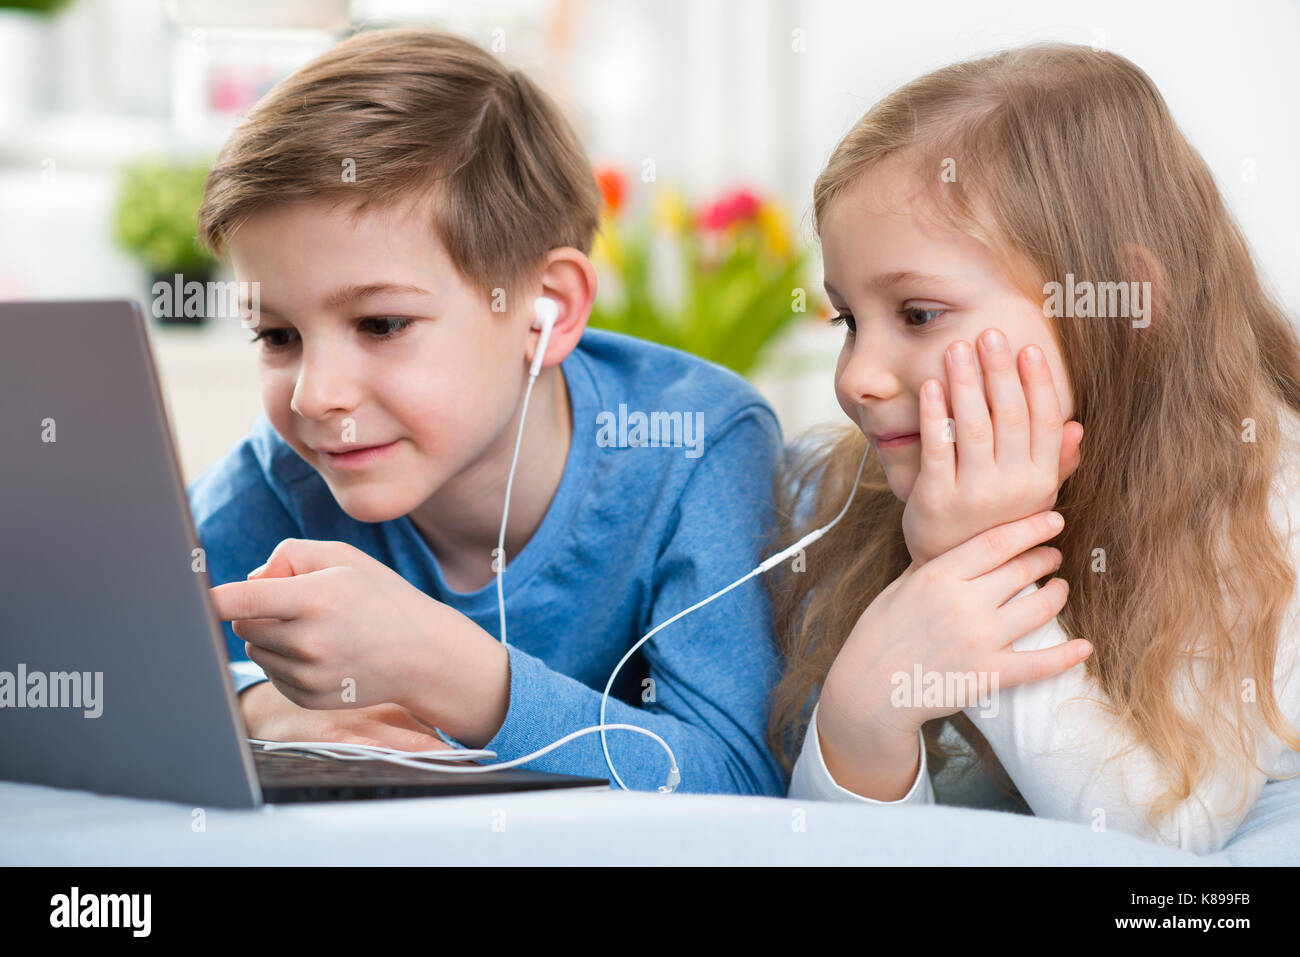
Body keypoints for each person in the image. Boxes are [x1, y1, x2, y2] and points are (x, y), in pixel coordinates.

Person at [188, 28, 786, 795]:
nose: (314, 395)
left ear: (545, 312)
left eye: (380, 324)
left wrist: (455, 672)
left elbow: (738, 782)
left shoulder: (696, 449)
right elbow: (108, 661)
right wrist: (258, 706)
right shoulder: (280, 477)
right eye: (277, 335)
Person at [770, 42, 1300, 852]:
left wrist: (974, 556)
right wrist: (860, 723)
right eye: (847, 320)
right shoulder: (846, 496)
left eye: (917, 313)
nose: (859, 378)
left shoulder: (1268, 509)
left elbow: (1164, 839)